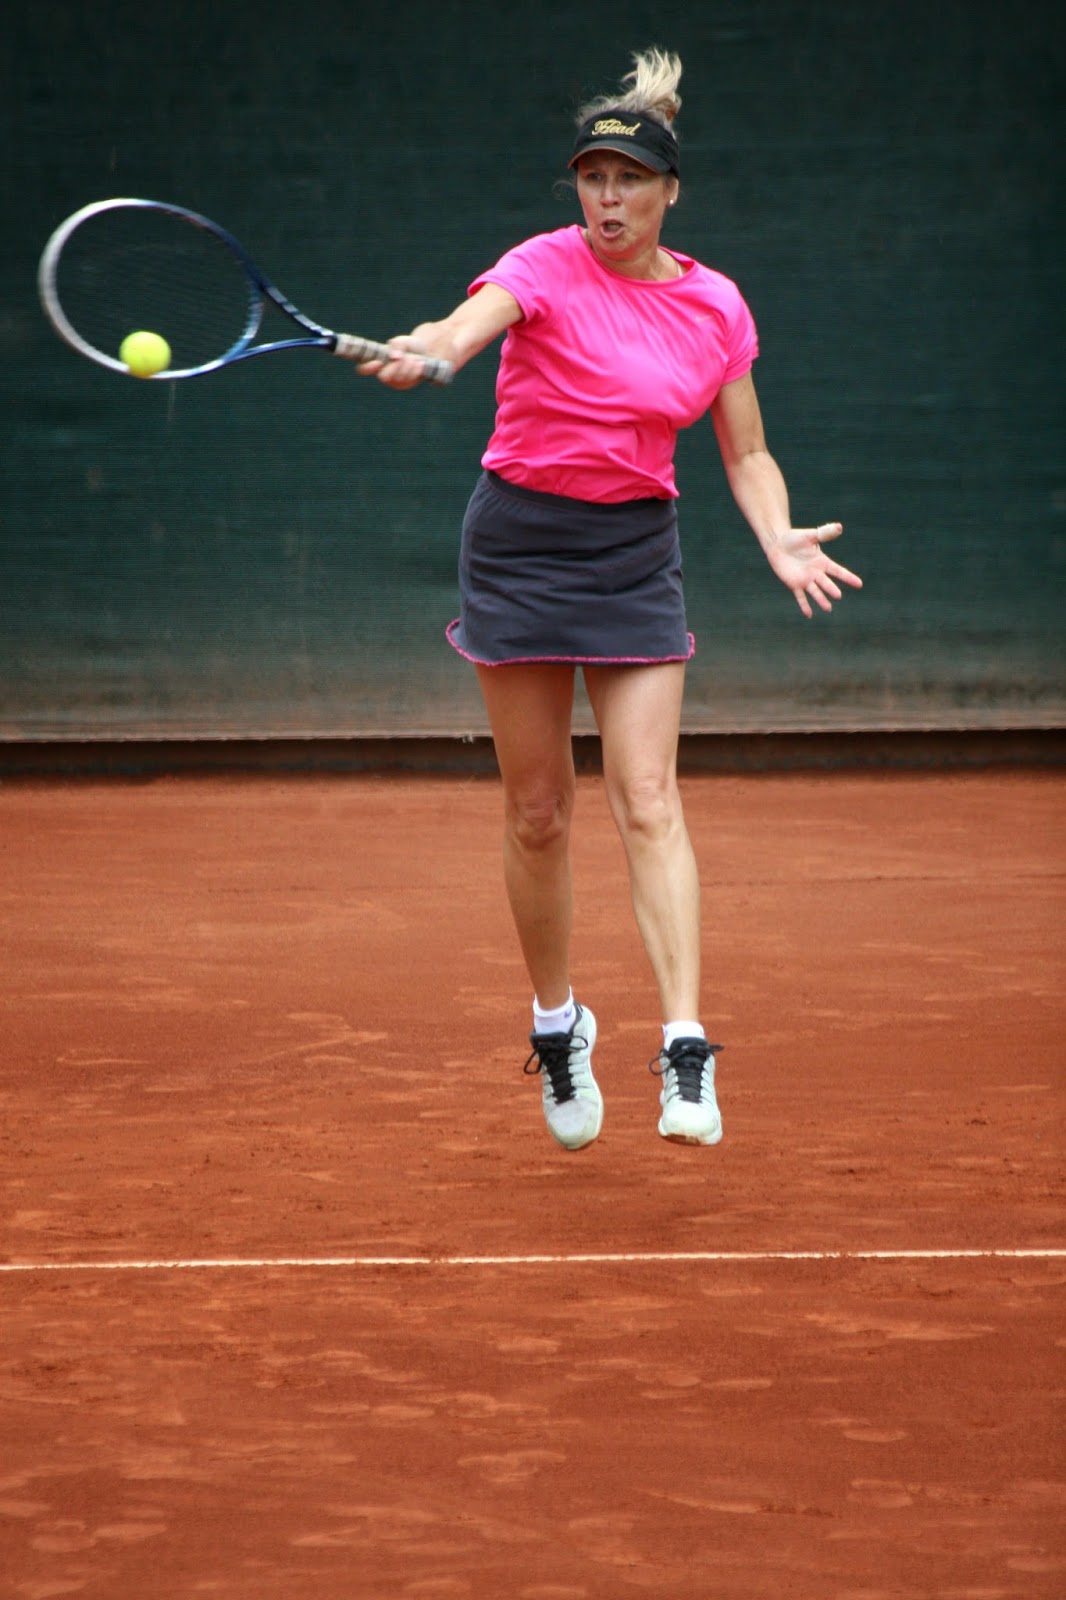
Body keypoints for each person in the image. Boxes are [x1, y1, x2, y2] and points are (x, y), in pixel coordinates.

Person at [358, 47, 862, 1153]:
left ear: (669, 189)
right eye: (591, 178)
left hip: (634, 551)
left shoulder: (716, 306)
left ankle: (685, 1049)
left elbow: (747, 451)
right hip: (520, 544)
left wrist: (775, 529)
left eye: (629, 180)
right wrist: (428, 350)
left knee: (649, 797)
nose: (608, 199)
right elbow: (463, 325)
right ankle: (558, 1024)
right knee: (538, 813)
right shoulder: (540, 264)